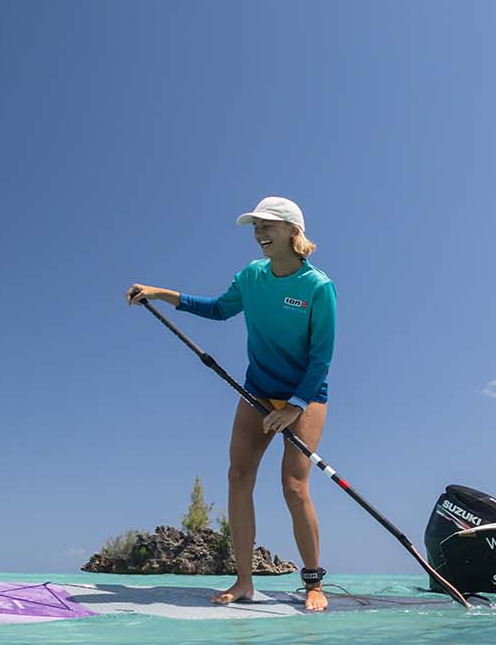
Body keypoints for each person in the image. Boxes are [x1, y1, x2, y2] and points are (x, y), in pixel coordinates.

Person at [125, 196, 338, 611]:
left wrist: (293, 407)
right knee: (238, 476)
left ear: (293, 231)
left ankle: (313, 583)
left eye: (268, 226)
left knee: (294, 487)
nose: (259, 234)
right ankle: (244, 582)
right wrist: (160, 293)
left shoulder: (317, 287)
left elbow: (321, 358)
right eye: (255, 226)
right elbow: (220, 309)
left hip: (306, 395)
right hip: (257, 389)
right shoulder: (251, 276)